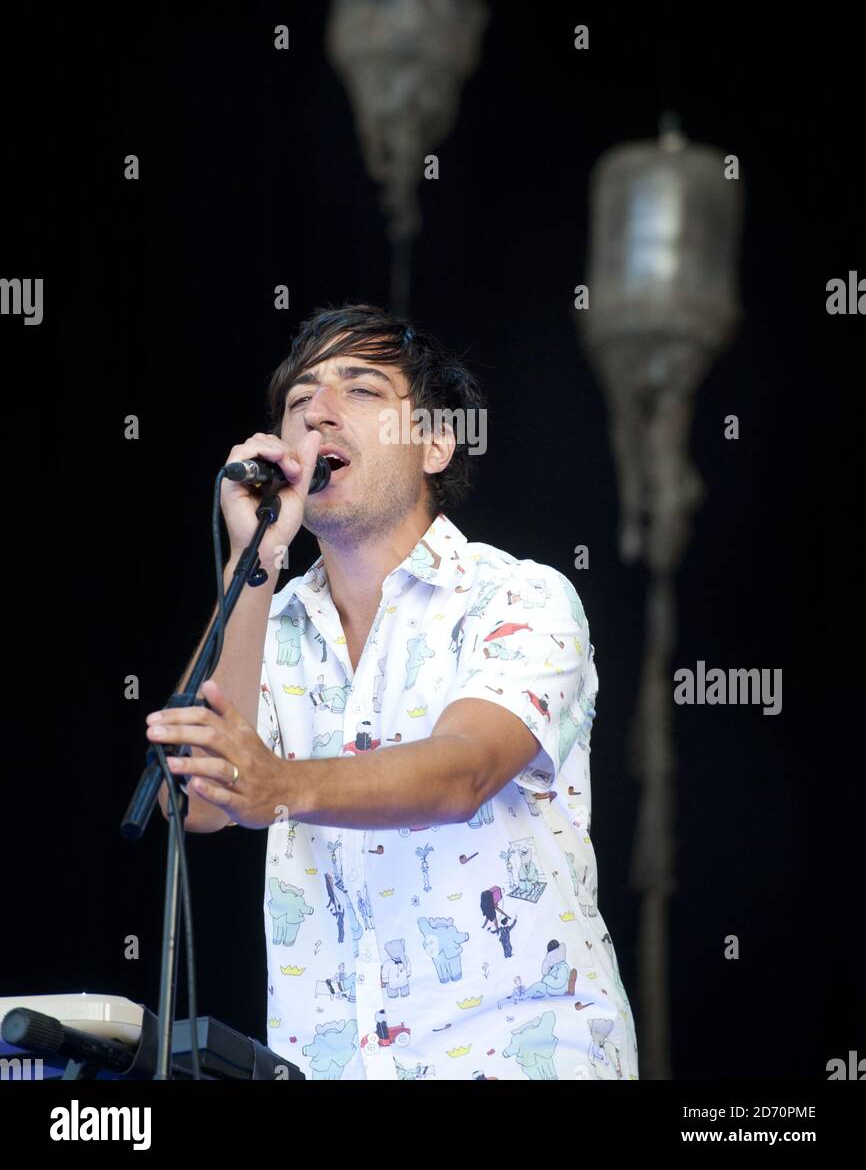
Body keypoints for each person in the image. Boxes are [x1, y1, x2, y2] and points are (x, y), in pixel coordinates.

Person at [149, 302, 639, 1081]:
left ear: (436, 444)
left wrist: (278, 784)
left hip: (519, 1057)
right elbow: (199, 799)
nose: (318, 411)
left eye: (361, 390)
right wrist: (253, 558)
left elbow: (462, 772)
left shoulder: (518, 599)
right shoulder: (271, 626)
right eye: (301, 398)